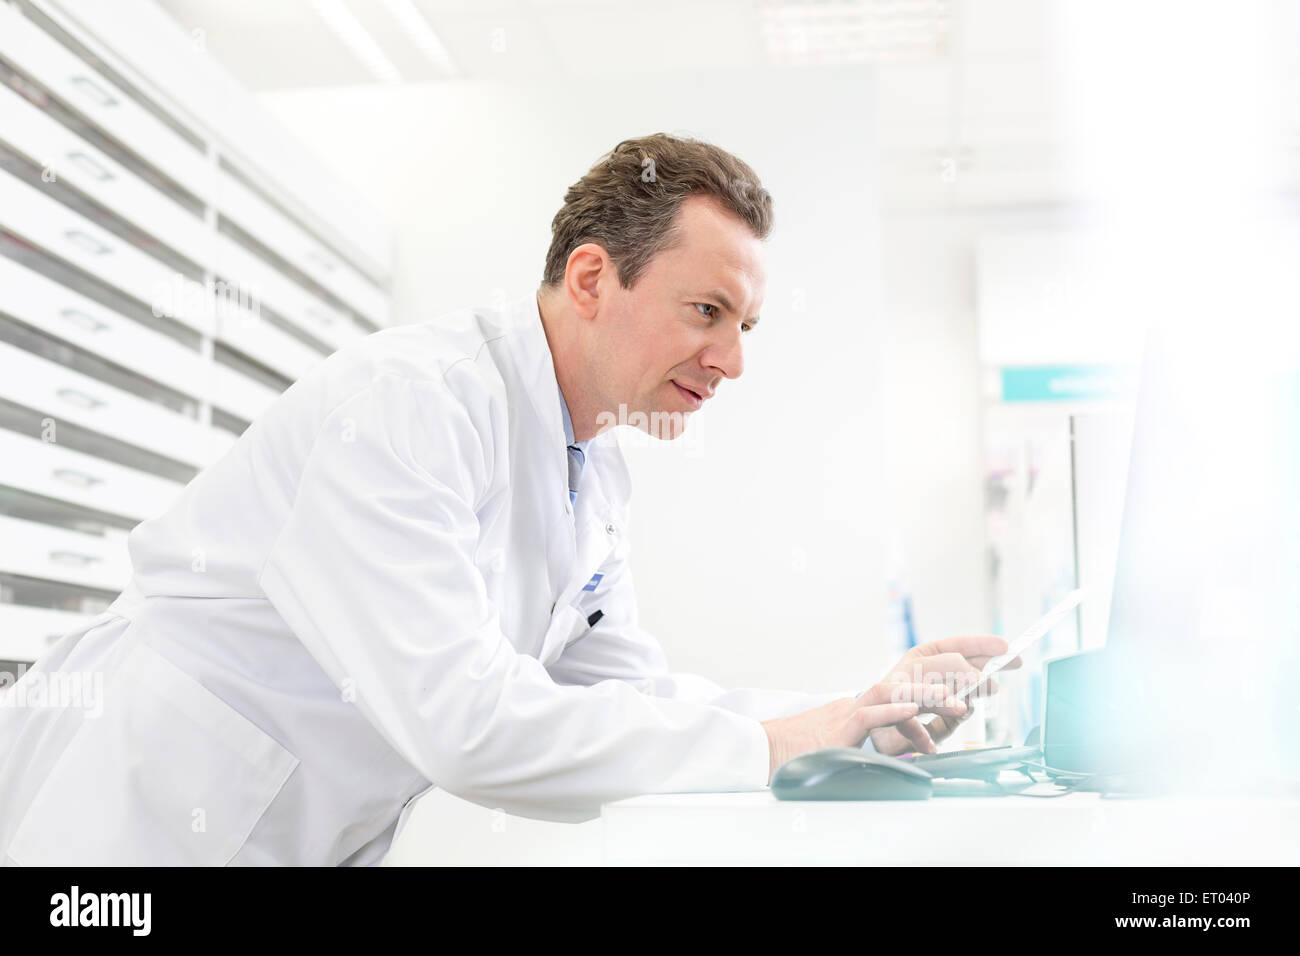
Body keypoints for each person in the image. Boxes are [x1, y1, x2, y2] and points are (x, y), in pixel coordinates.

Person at [0, 133, 1013, 866]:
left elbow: (621, 693)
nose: (733, 358)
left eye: (745, 322)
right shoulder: (411, 407)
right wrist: (778, 740)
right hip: (144, 815)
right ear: (589, 277)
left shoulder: (592, 460)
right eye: (707, 311)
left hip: (286, 827)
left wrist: (848, 714)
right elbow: (468, 721)